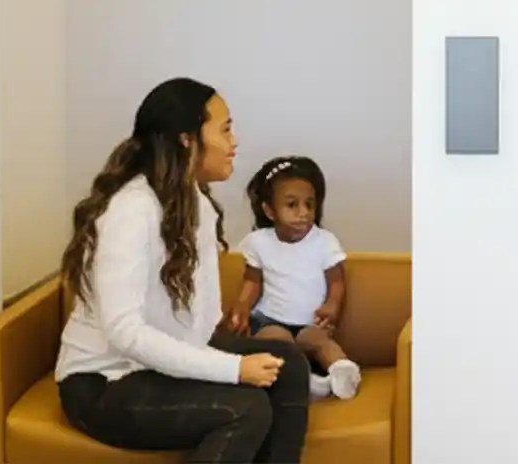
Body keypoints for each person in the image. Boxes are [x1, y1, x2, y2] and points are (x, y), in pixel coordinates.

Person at [54, 77, 310, 464]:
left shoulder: (195, 204)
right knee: (246, 408)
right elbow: (126, 333)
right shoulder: (131, 210)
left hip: (153, 364)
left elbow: (203, 321)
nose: (234, 142)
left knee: (288, 365)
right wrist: (234, 369)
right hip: (104, 383)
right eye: (225, 129)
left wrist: (226, 361)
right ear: (187, 138)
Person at [226, 155, 362, 401]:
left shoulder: (324, 242)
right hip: (270, 319)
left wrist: (332, 305)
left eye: (309, 205)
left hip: (311, 322)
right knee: (276, 340)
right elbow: (252, 281)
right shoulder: (258, 243)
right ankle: (306, 383)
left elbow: (337, 281)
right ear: (269, 210)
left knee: (317, 340)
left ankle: (342, 369)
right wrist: (242, 306)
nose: (304, 213)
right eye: (292, 205)